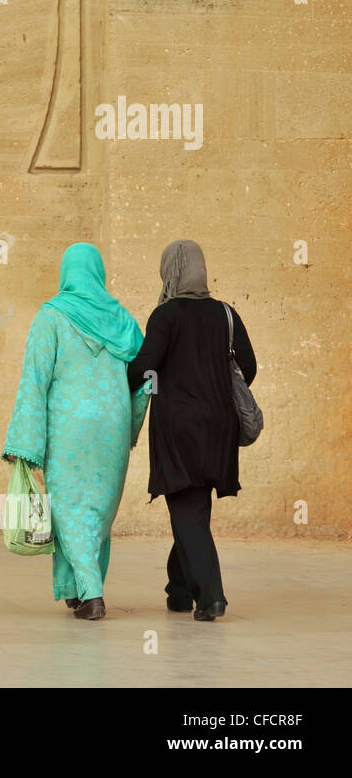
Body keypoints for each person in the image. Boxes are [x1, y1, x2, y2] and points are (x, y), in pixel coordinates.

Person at [2, 243, 150, 621]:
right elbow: (146, 381)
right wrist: (130, 426)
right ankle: (77, 590)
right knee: (96, 510)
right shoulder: (123, 321)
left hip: (69, 429)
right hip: (110, 430)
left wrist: (26, 442)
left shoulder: (51, 316)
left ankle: (93, 592)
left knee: (68, 508)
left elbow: (34, 382)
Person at [126, 239, 256, 622]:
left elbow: (142, 368)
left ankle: (212, 596)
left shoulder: (166, 316)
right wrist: (213, 386)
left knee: (187, 510)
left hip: (178, 428)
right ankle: (179, 590)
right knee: (194, 509)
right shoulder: (226, 314)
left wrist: (146, 381)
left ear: (170, 271)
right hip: (219, 428)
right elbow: (248, 367)